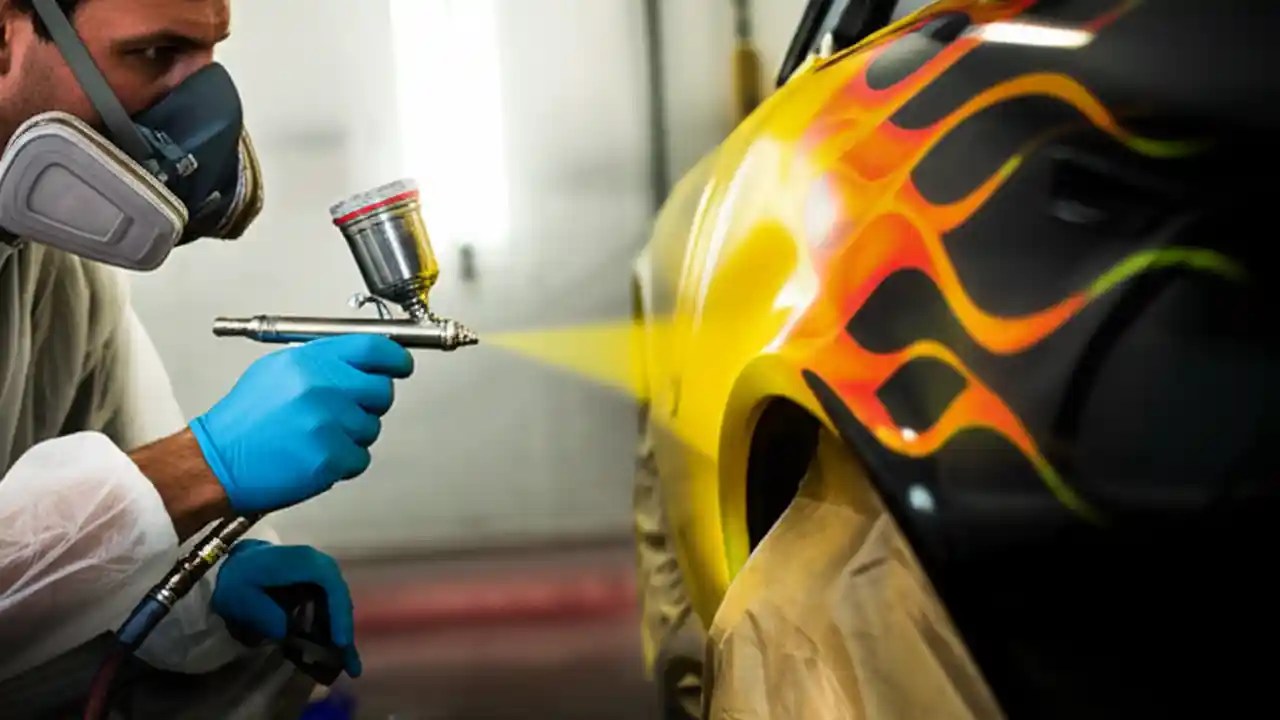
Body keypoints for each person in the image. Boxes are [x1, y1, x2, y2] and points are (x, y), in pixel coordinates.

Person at [0, 0, 410, 683]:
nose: (210, 112)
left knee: (255, 665)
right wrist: (204, 465)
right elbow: (162, 484)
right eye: (156, 55)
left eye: (209, 54)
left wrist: (213, 585)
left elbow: (133, 495)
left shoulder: (61, 273)